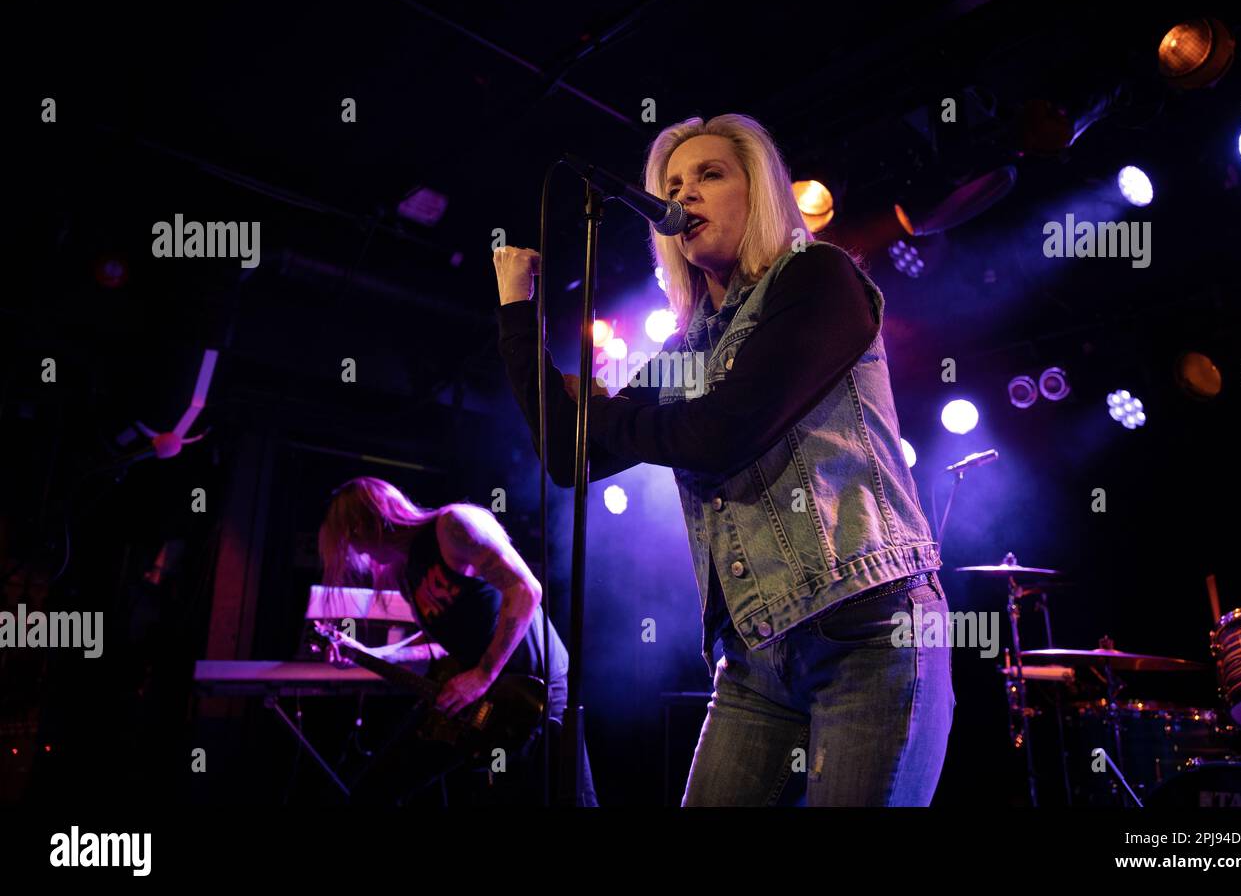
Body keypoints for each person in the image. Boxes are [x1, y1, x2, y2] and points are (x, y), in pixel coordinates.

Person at [492, 113, 955, 806]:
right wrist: (516, 314)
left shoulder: (817, 279)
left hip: (867, 628)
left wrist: (613, 412)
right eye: (675, 182)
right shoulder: (689, 347)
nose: (687, 193)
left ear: (761, 191)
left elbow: (722, 432)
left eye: (710, 175)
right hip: (753, 656)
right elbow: (569, 453)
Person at [317, 477, 597, 805]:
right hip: (489, 700)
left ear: (367, 522)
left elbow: (525, 590)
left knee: (568, 797)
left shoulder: (453, 526)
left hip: (535, 687)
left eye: (351, 537)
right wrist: (373, 655)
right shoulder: (409, 576)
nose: (356, 550)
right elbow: (441, 640)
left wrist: (482, 675)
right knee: (378, 786)